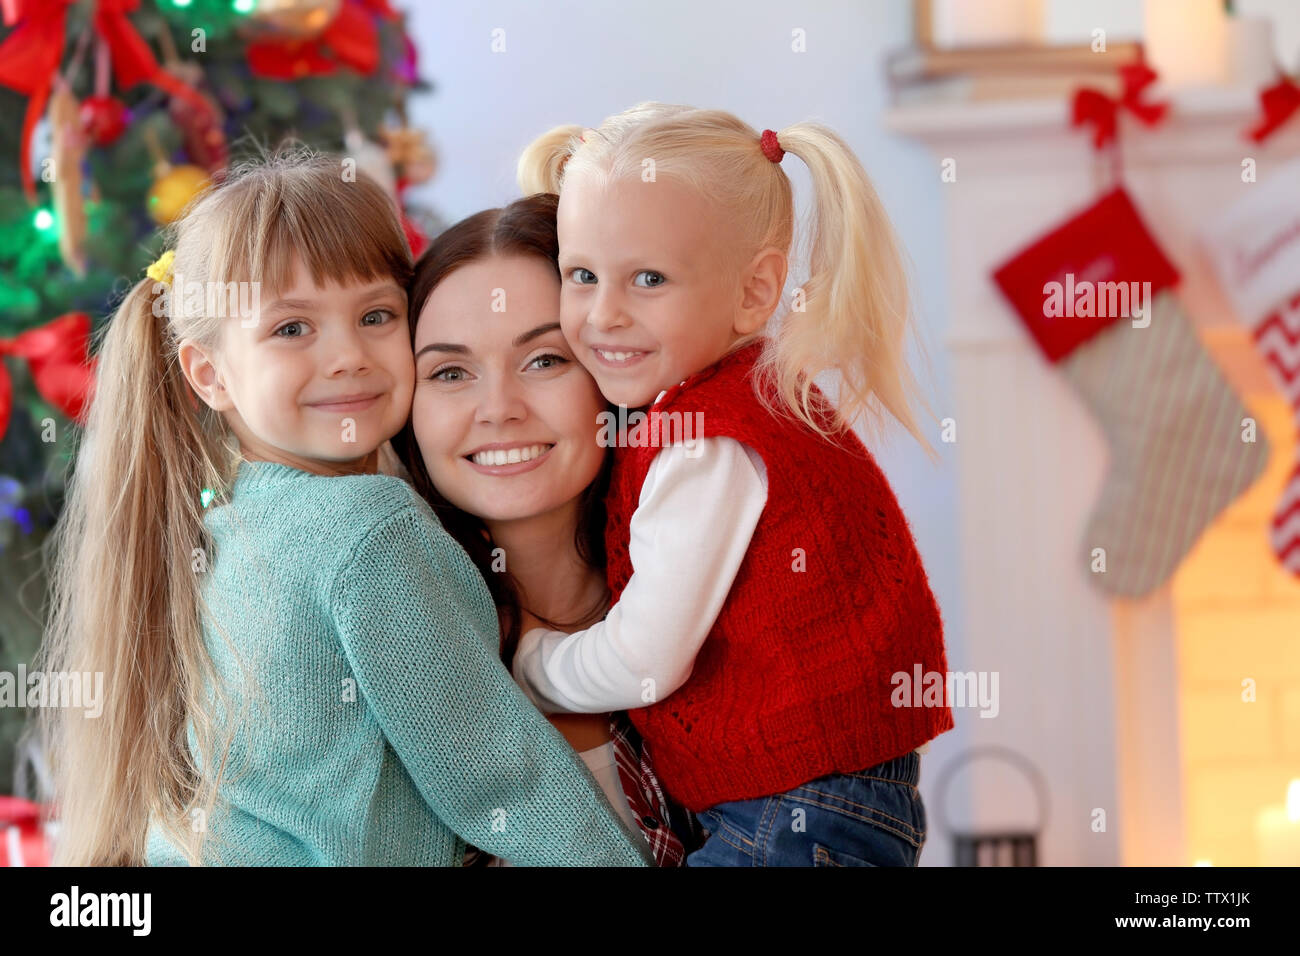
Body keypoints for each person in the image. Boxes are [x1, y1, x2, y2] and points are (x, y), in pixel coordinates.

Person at [38, 149, 651, 867]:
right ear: (210, 374)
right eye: (292, 328)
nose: (348, 356)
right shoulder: (373, 529)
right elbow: (502, 780)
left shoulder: (230, 519)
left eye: (376, 315)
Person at [510, 103, 955, 866]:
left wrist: (526, 661)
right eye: (582, 275)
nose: (603, 314)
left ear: (754, 292)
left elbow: (643, 661)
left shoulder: (708, 440)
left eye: (649, 279)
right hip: (810, 804)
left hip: (797, 814)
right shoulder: (737, 398)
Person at [390, 193, 701, 866]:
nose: (498, 408)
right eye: (450, 372)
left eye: (544, 360)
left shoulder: (725, 611)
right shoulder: (397, 658)